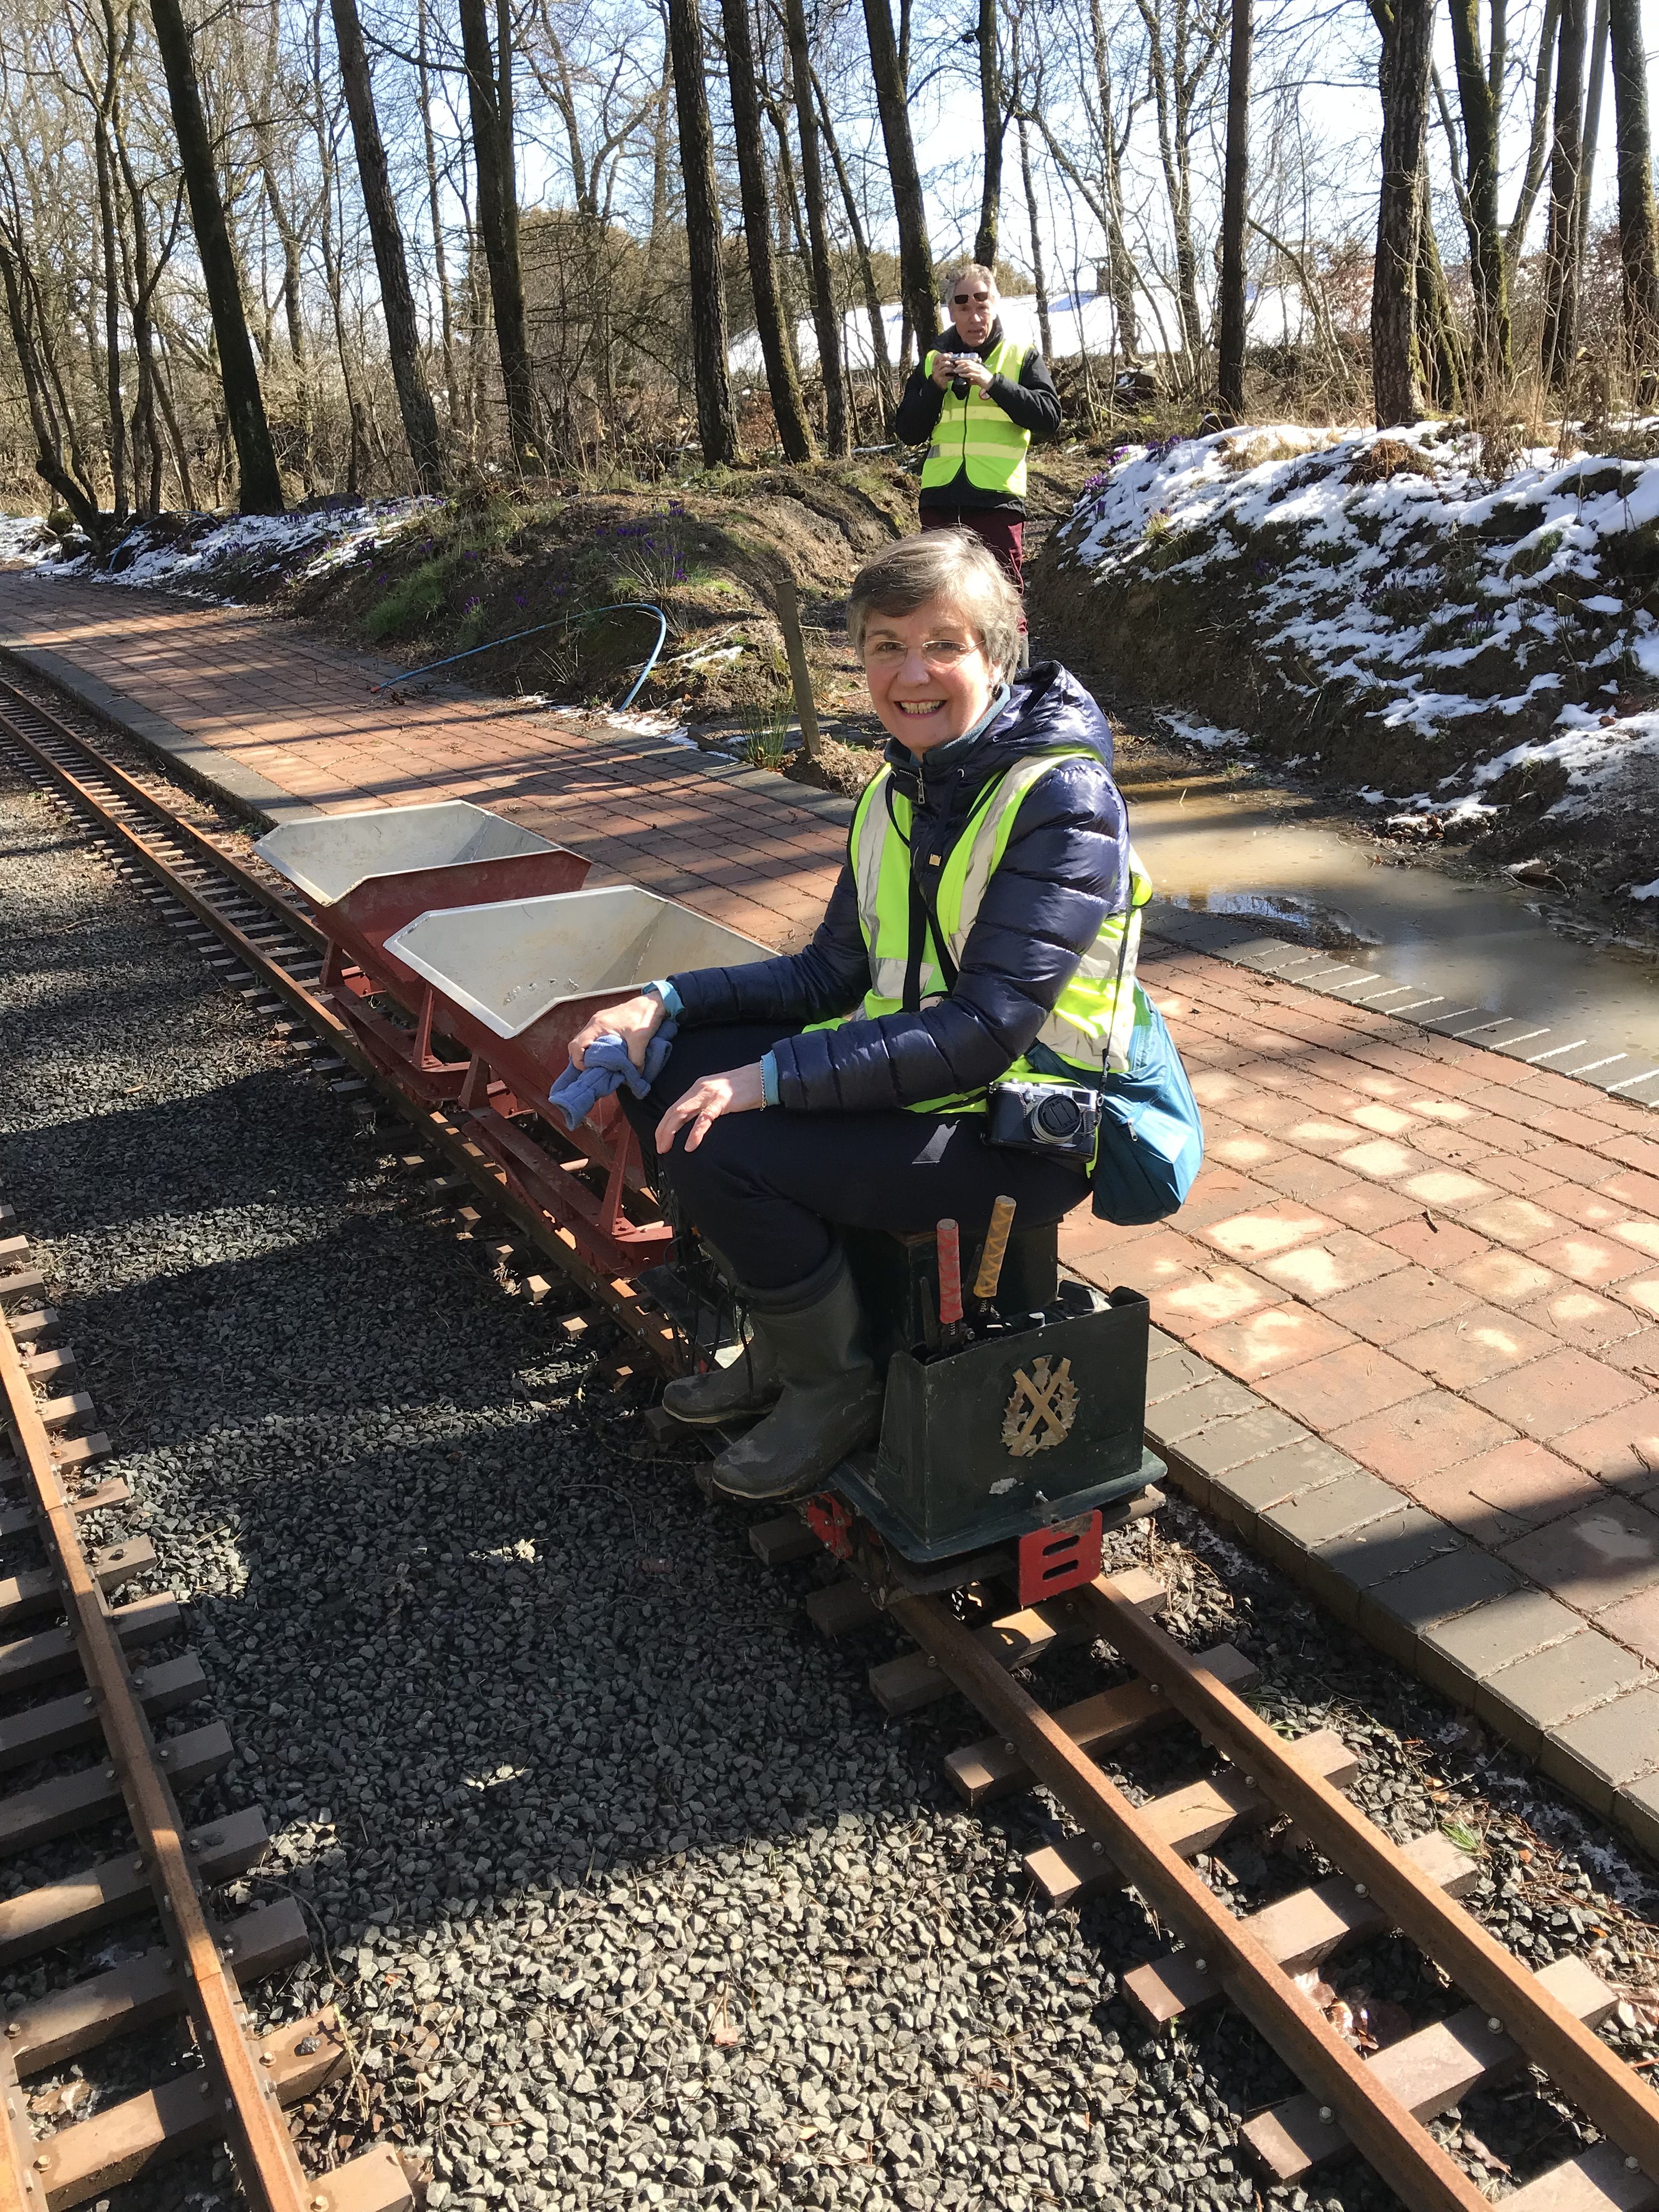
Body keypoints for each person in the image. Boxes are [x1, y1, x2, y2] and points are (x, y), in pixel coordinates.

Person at [568, 531, 1151, 1506]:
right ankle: (792, 1339)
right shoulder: (895, 786)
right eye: (884, 645)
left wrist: (770, 1082)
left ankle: (833, 1383)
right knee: (670, 1065)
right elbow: (826, 974)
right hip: (924, 1089)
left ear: (996, 652)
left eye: (941, 644)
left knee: (722, 1142)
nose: (910, 673)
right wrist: (660, 1002)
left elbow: (982, 1028)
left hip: (1017, 1130)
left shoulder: (1058, 801)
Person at [891, 262, 1062, 602]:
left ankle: (1016, 659)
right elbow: (908, 431)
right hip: (940, 500)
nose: (974, 317)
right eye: (964, 307)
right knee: (941, 603)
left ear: (995, 305)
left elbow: (1049, 418)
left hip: (997, 500)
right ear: (951, 311)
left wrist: (993, 382)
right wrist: (934, 387)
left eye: (982, 306)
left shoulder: (1021, 355)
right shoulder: (932, 362)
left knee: (1003, 602)